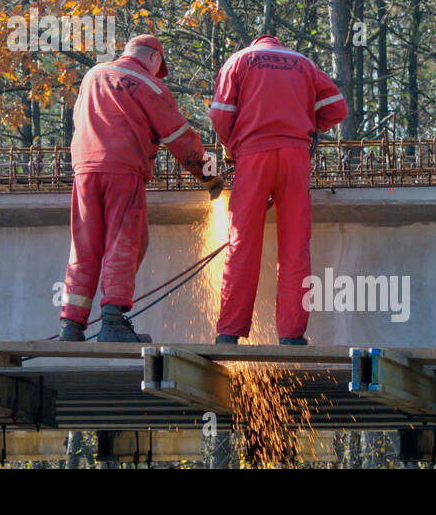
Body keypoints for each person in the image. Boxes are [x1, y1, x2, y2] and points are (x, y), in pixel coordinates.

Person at [59, 34, 223, 342]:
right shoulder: (149, 85)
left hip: (84, 171)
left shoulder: (93, 75)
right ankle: (113, 322)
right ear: (154, 59)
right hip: (123, 171)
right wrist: (210, 176)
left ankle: (71, 325)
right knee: (124, 242)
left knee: (84, 247)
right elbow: (181, 139)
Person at [208, 35, 347, 345]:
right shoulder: (305, 64)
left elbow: (219, 115)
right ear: (280, 45)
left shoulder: (238, 61)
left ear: (257, 44)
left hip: (253, 156)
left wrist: (232, 145)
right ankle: (292, 334)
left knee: (241, 242)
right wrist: (309, 125)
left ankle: (229, 333)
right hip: (295, 158)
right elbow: (337, 109)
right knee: (296, 244)